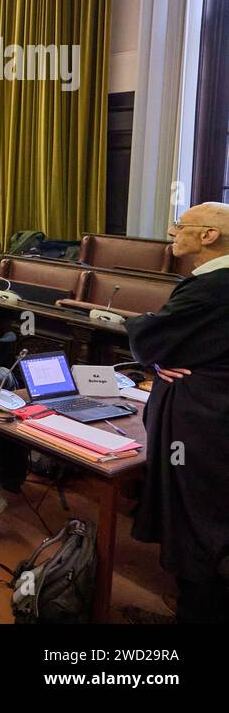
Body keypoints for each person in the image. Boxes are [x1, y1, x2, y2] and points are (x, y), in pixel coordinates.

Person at [124, 202, 229, 623]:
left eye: (181, 225)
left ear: (209, 237)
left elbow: (150, 339)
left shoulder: (209, 288)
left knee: (197, 521)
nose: (172, 232)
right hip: (212, 411)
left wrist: (156, 349)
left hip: (202, 422)